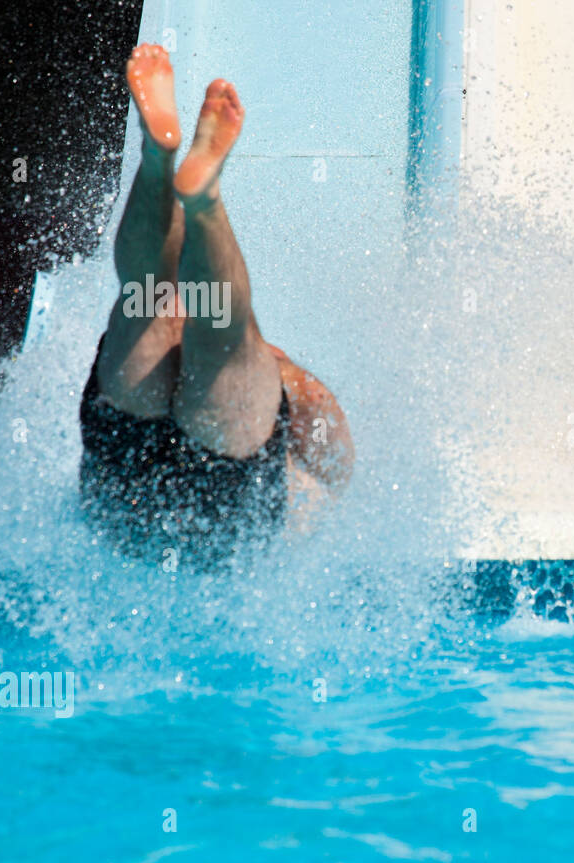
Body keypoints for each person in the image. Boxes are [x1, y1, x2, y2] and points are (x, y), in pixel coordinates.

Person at [79, 44, 353, 562]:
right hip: (229, 509)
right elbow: (331, 454)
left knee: (143, 294)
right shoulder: (280, 369)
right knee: (227, 336)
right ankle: (203, 200)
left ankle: (156, 156)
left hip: (122, 487)